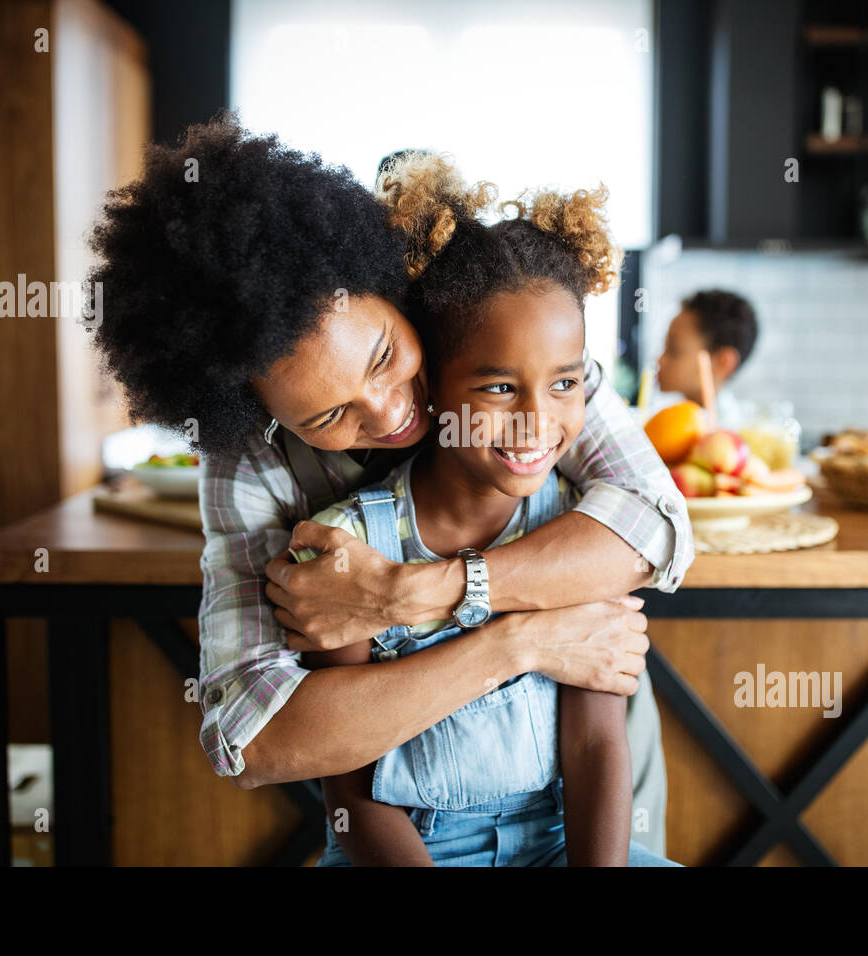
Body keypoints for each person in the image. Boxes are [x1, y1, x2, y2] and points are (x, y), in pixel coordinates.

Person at [88, 114, 693, 856]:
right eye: (331, 412)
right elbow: (256, 735)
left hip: (583, 806)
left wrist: (411, 595)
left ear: (393, 291)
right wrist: (523, 642)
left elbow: (656, 526)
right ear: (258, 414)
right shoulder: (253, 466)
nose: (390, 410)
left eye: (382, 356)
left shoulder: (504, 350)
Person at [296, 154, 675, 865]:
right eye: (500, 388)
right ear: (429, 387)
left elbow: (597, 742)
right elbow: (350, 791)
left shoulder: (578, 535)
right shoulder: (351, 548)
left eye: (565, 382)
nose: (537, 421)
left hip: (557, 844)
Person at [655, 289, 758, 424]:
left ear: (722, 362)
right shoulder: (666, 421)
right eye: (665, 347)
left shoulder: (727, 435)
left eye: (674, 350)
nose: (659, 360)